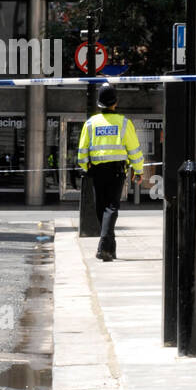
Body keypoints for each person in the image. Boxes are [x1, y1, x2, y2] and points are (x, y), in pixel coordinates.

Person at [77, 84, 144, 261]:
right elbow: (134, 149)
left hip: (97, 170)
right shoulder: (124, 123)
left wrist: (86, 168)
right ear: (116, 102)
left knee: (102, 208)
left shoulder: (90, 124)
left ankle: (107, 248)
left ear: (99, 104)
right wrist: (138, 170)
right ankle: (106, 246)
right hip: (116, 171)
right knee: (110, 207)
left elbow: (82, 150)